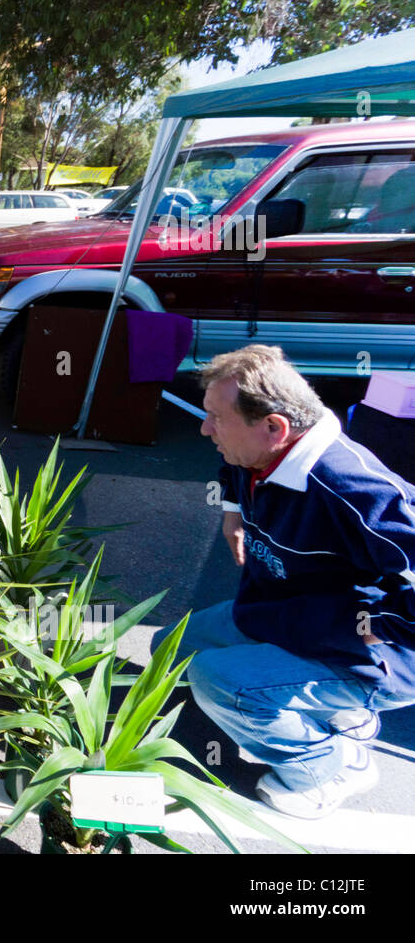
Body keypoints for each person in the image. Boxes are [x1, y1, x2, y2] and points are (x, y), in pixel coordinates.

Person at [175, 344, 415, 819]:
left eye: (216, 418)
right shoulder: (262, 452)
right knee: (174, 649)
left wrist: (378, 623)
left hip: (365, 655)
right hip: (283, 615)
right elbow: (231, 462)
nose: (204, 429)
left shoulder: (358, 491)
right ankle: (336, 712)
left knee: (218, 682)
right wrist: (231, 511)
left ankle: (326, 768)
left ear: (274, 427)